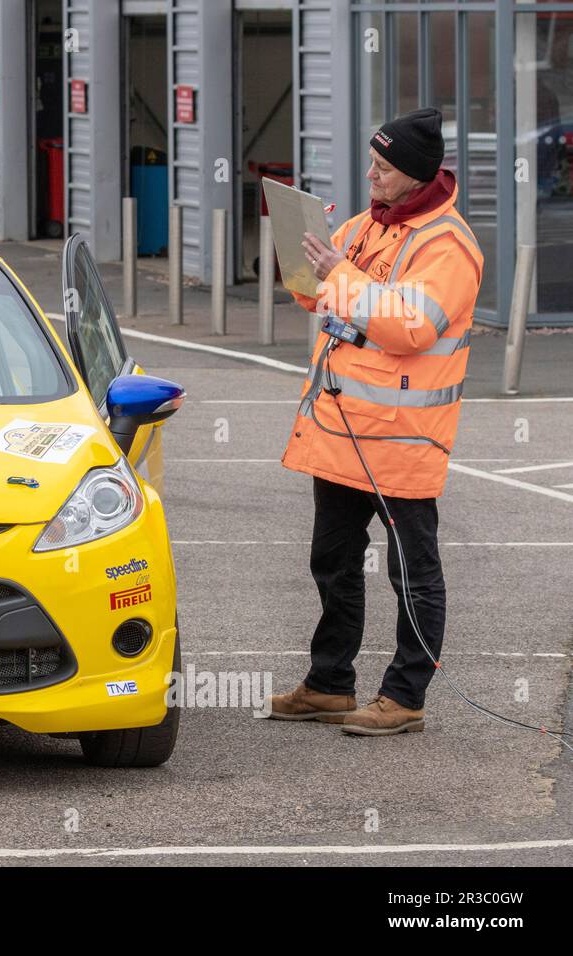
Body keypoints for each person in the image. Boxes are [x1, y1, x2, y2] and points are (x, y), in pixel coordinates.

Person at [266, 107, 484, 736]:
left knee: (411, 573)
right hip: (341, 432)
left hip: (401, 440)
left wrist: (340, 275)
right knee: (332, 562)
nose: (371, 176)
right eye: (372, 163)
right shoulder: (370, 225)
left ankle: (405, 696)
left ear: (416, 176)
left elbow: (409, 326)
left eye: (383, 168)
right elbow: (316, 295)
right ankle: (330, 683)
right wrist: (300, 251)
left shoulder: (449, 245)